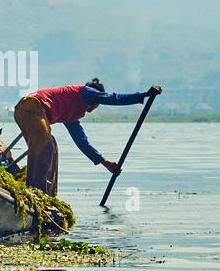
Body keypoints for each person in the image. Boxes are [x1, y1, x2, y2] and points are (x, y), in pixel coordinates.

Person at [13, 79, 162, 194]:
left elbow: (82, 142)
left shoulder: (73, 111)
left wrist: (105, 162)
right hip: (32, 106)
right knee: (45, 148)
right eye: (98, 100)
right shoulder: (84, 92)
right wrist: (143, 95)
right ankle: (36, 192)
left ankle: (47, 193)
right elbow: (112, 98)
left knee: (51, 148)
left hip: (26, 110)